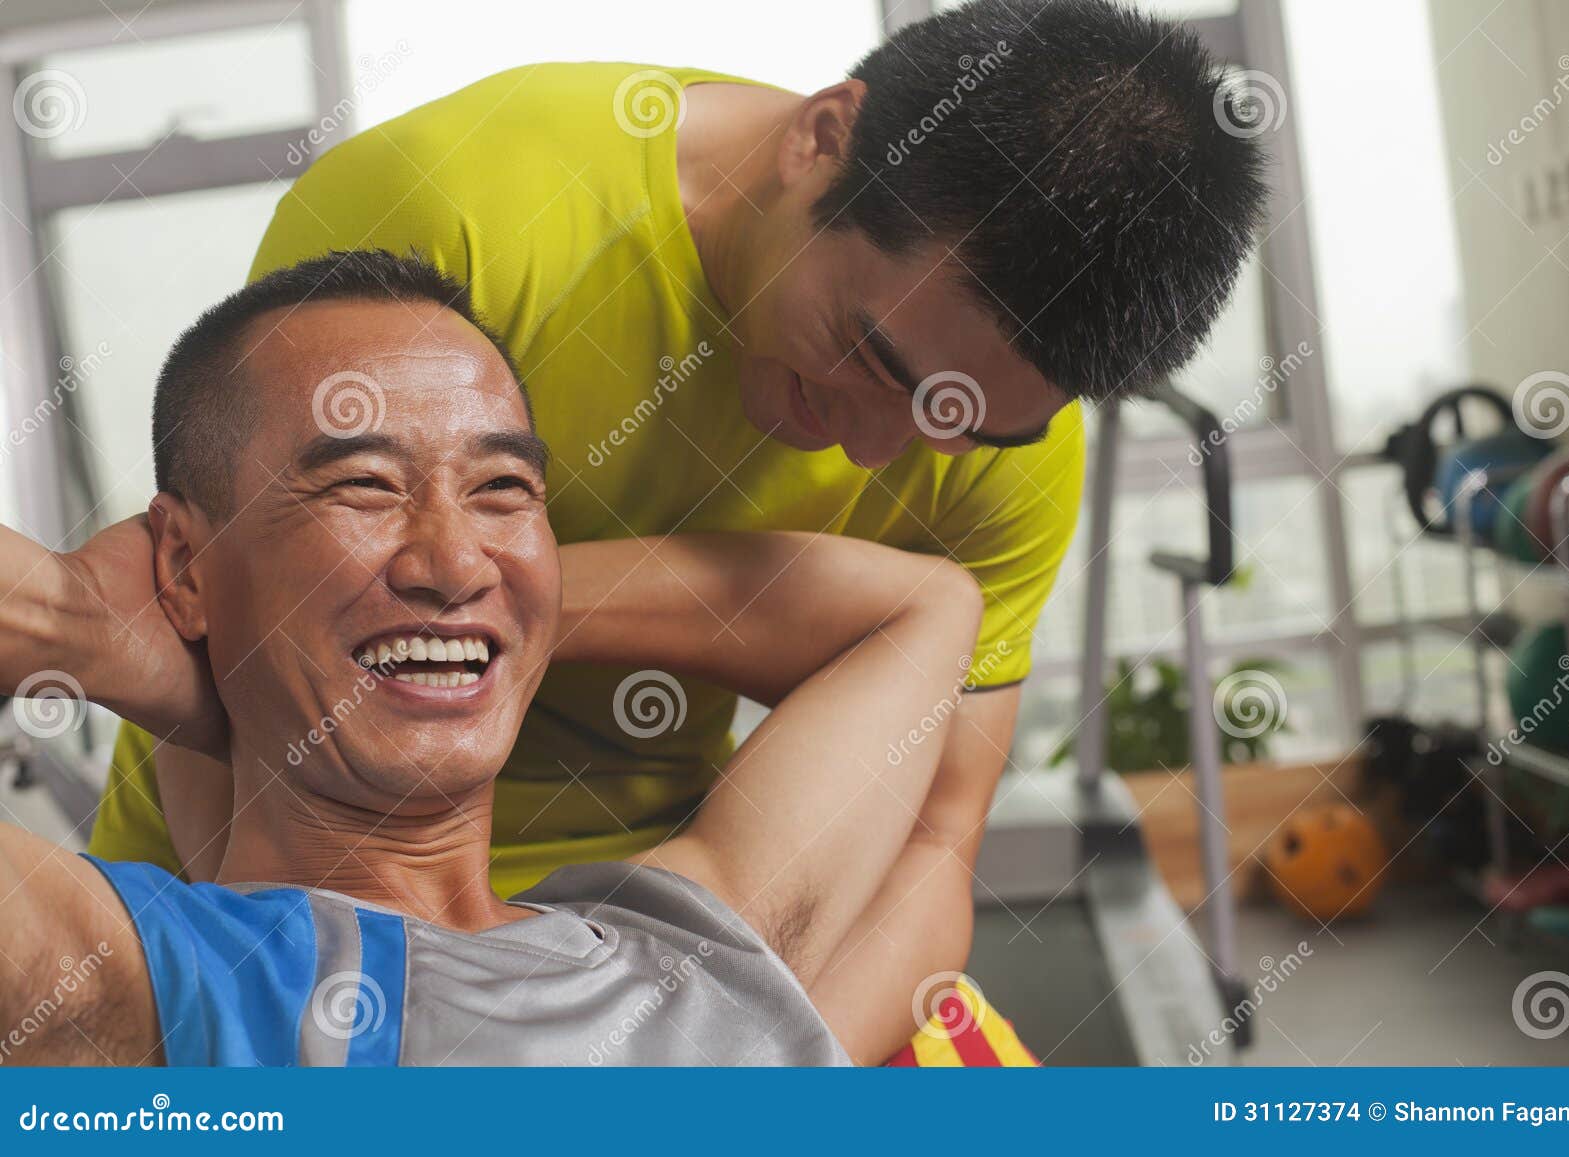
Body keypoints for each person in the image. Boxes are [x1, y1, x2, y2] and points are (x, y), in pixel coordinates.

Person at [90, 0, 1266, 1061]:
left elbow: (931, 850)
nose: (867, 448)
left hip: (673, 938)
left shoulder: (1004, 442)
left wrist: (732, 1076)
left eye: (946, 422)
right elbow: (235, 646)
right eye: (866, 355)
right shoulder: (457, 205)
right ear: (823, 140)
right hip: (268, 891)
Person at [0, 251, 982, 1066]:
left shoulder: (693, 940)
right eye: (364, 485)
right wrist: (67, 617)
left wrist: (508, 620)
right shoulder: (174, 983)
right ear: (184, 562)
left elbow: (922, 608)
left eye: (504, 489)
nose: (456, 559)